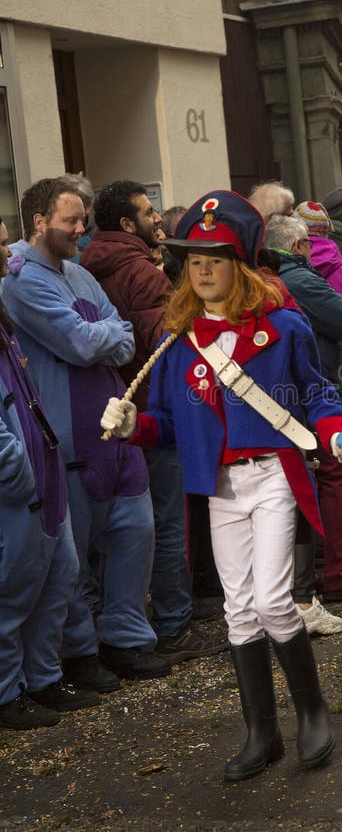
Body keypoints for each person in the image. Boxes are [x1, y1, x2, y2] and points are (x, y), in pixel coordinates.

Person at [100, 190, 342, 781]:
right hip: (218, 488)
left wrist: (336, 431)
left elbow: (317, 392)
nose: (204, 270)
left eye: (215, 258)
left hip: (273, 478)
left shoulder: (284, 326)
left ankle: (312, 713)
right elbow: (164, 425)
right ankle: (261, 732)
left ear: (240, 265)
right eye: (193, 260)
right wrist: (136, 426)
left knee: (270, 599)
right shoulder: (176, 341)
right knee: (239, 610)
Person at [2, 178, 170, 687]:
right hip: (69, 440)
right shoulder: (21, 280)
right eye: (71, 221)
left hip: (116, 433)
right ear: (39, 221)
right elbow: (79, 341)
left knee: (134, 536)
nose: (81, 230)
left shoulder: (79, 273)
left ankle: (126, 639)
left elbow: (123, 338)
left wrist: (104, 337)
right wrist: (104, 337)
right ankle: (79, 653)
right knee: (69, 563)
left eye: (83, 219)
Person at [80, 181, 223, 665]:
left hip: (116, 409)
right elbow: (169, 338)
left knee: (131, 528)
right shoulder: (142, 271)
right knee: (168, 522)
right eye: (148, 212)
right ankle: (174, 623)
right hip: (152, 411)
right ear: (127, 224)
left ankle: (161, 614)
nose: (158, 218)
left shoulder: (88, 266)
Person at [0, 219, 99, 728]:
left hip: (41, 474)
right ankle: (7, 692)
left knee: (56, 578)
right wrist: (17, 472)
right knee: (13, 594)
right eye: (0, 244)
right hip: (19, 486)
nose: (9, 254)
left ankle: (41, 679)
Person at [263, 212, 342, 601]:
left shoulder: (268, 277)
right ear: (298, 247)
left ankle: (317, 573)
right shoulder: (300, 279)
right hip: (322, 394)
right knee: (339, 480)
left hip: (286, 399)